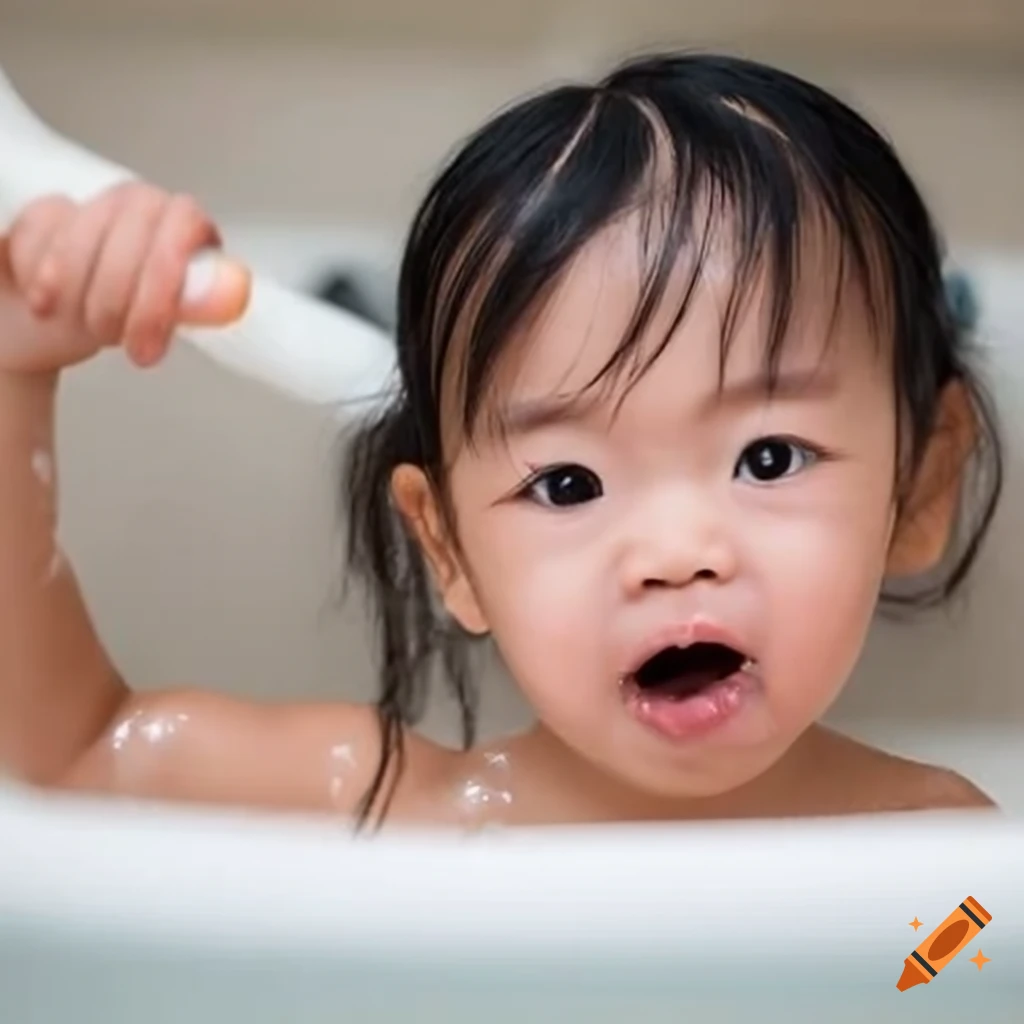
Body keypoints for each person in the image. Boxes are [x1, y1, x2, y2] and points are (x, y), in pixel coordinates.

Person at [0, 52, 1001, 831]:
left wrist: (913, 977)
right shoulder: (408, 826)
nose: (676, 554)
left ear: (917, 488)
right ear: (448, 550)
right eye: (566, 483)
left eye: (768, 458)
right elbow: (73, 759)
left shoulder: (939, 865)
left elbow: (939, 978)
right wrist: (13, 371)